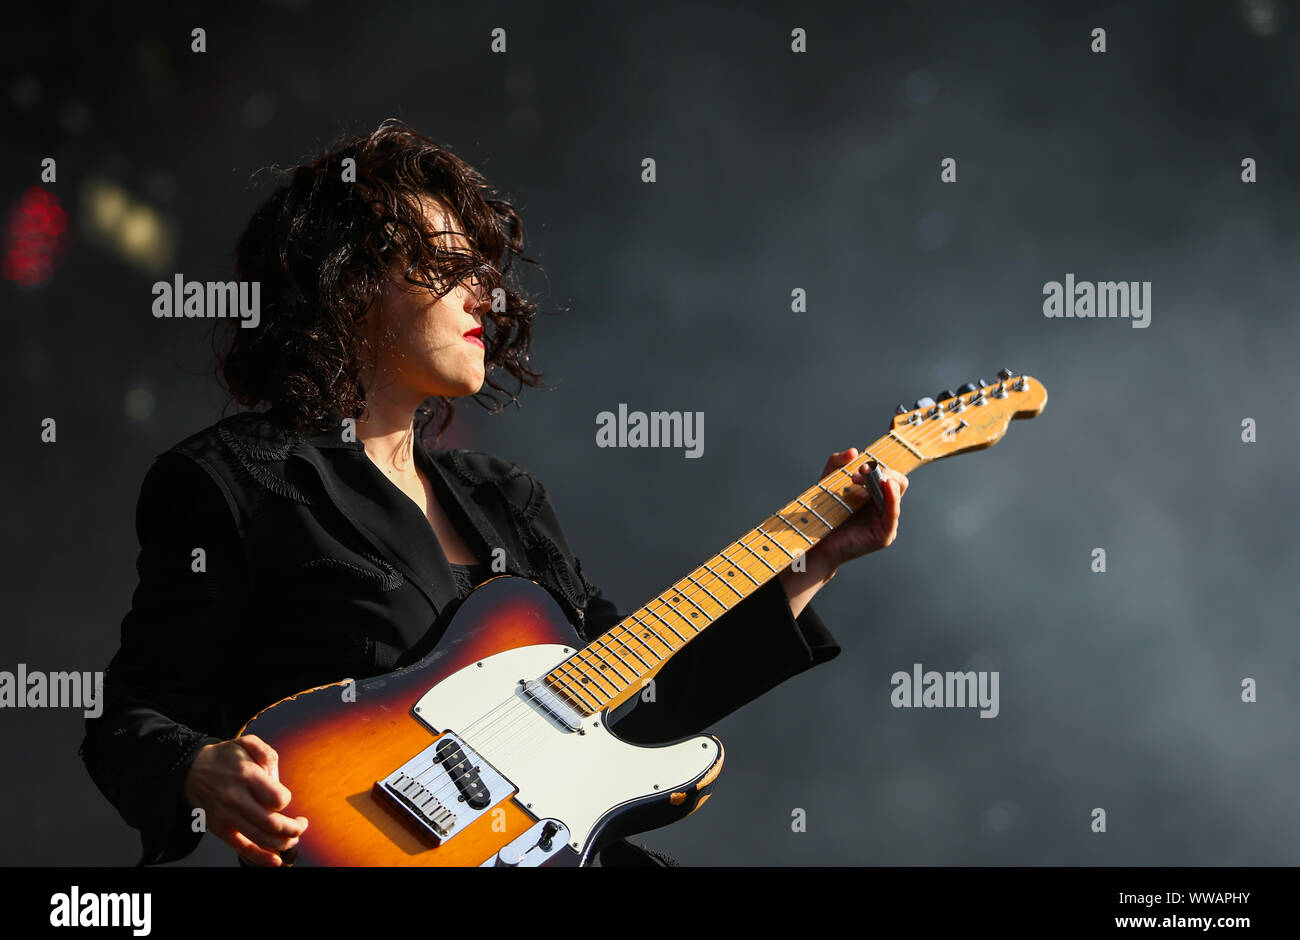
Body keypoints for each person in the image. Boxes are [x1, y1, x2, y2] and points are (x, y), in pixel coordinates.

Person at [79, 120, 908, 867]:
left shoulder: (502, 498)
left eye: (484, 268)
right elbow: (133, 718)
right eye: (446, 267)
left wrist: (813, 558)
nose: (485, 292)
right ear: (348, 283)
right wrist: (194, 767)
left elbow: (641, 703)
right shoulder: (238, 479)